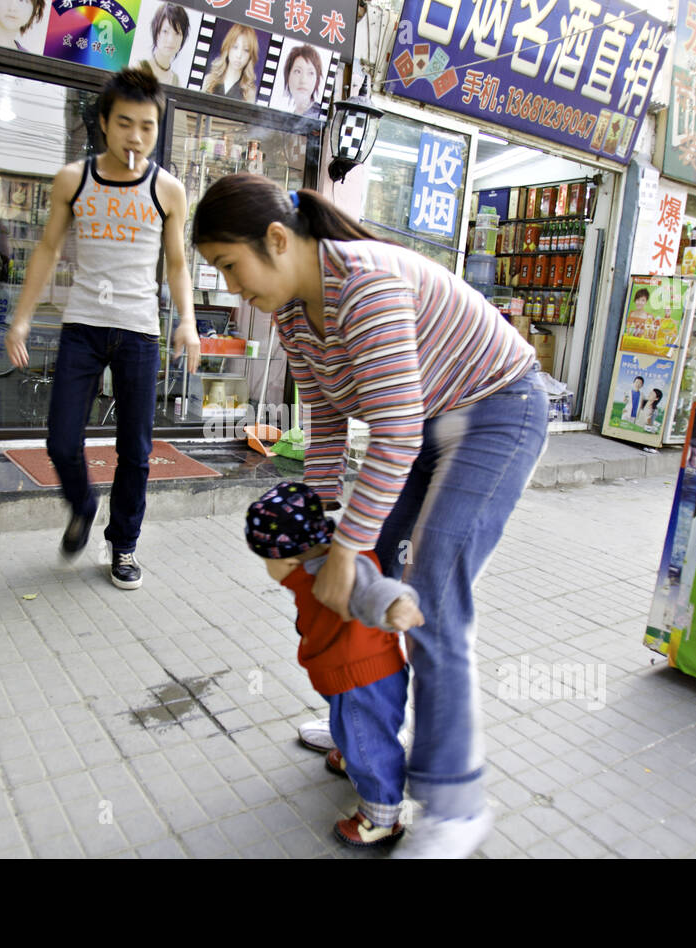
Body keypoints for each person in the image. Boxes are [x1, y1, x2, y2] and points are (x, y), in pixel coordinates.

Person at [193, 173, 548, 858]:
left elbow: (393, 434)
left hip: (496, 411)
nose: (233, 287)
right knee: (367, 570)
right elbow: (326, 421)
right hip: (425, 420)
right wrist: (330, 534)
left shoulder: (366, 284)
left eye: (230, 267)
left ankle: (454, 802)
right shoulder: (292, 311)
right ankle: (367, 721)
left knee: (433, 598)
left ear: (275, 240)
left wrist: (348, 548)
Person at [5, 66, 200, 590]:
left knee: (135, 450)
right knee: (61, 439)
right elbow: (47, 249)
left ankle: (124, 545)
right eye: (125, 124)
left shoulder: (168, 190)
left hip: (139, 332)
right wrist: (21, 318)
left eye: (147, 127)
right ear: (103, 124)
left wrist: (188, 322)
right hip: (84, 328)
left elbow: (177, 264)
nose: (136, 137)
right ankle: (83, 505)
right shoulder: (75, 180)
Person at [246, 481, 423, 848]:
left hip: (365, 680)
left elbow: (370, 587)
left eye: (267, 561)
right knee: (354, 727)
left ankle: (381, 816)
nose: (267, 569)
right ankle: (353, 747)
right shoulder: (314, 557)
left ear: (290, 556)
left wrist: (395, 606)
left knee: (370, 744)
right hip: (345, 676)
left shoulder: (339, 568)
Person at [201, 23, 258, 103]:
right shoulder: (209, 80)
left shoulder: (249, 92)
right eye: (235, 47)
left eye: (246, 50)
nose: (239, 55)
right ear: (228, 47)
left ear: (250, 56)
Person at [142, 3, 189, 86]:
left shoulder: (176, 81)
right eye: (165, 31)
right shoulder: (139, 69)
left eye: (177, 33)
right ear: (156, 33)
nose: (171, 40)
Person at [278, 44, 322, 117]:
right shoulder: (290, 116)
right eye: (298, 71)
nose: (303, 80)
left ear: (316, 79)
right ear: (288, 75)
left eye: (310, 73)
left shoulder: (319, 115)